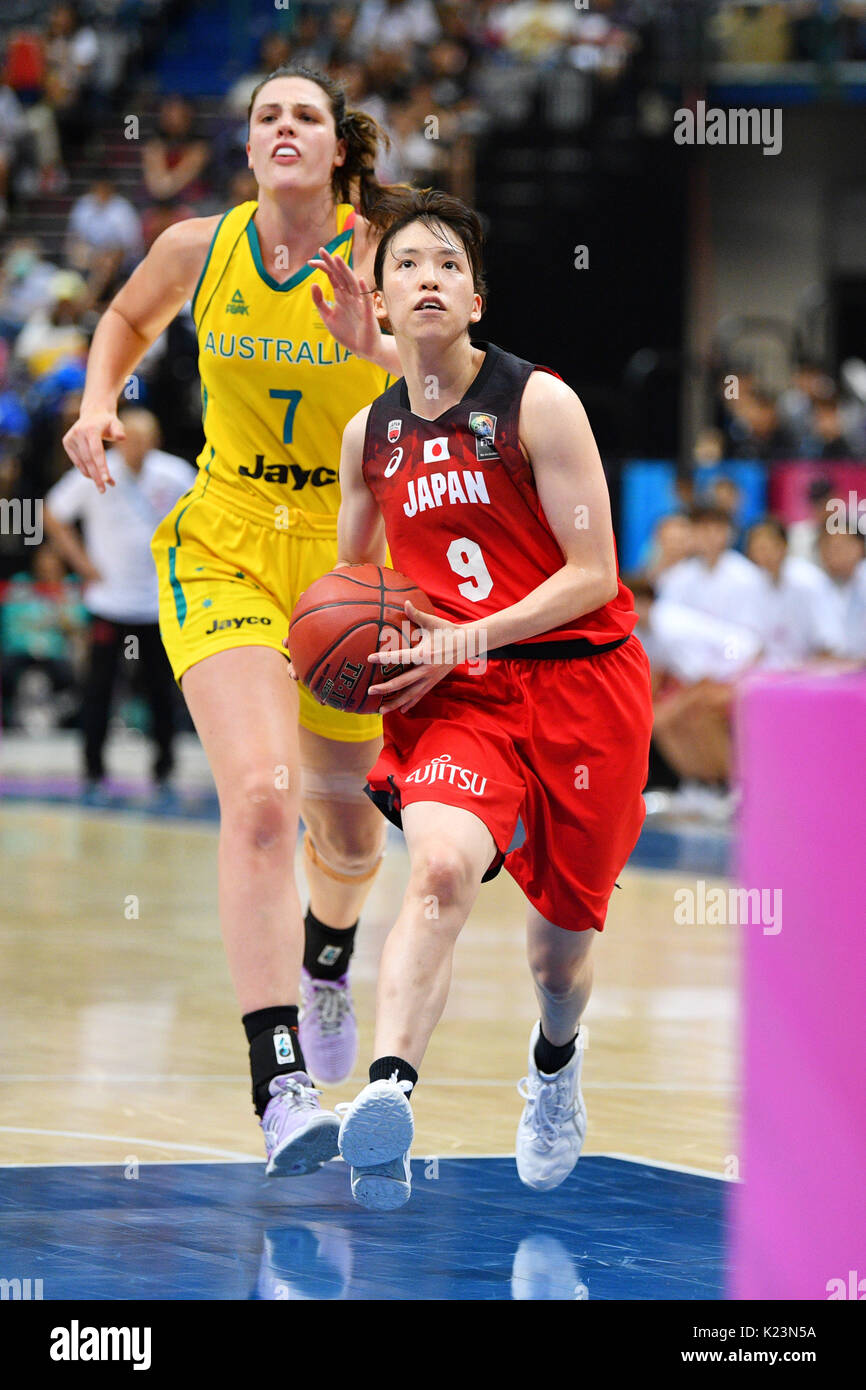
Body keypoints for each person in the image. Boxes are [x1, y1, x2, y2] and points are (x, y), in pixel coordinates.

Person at [61, 66, 410, 1179]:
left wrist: (375, 346)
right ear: (249, 145)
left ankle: (328, 955)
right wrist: (97, 399)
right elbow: (123, 314)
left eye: (305, 113)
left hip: (349, 556)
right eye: (266, 114)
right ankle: (279, 1080)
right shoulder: (195, 249)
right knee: (259, 798)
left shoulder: (386, 252)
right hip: (223, 539)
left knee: (347, 830)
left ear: (337, 148)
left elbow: (445, 386)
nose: (283, 127)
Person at [315, 189, 652, 1210]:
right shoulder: (367, 435)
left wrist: (471, 628)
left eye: (446, 266)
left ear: (475, 298)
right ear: (378, 301)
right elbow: (353, 582)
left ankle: (554, 1069)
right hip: (454, 697)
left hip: (582, 684)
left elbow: (593, 570)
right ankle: (386, 1091)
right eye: (406, 264)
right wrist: (355, 648)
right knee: (439, 873)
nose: (426, 276)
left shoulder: (536, 403)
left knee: (557, 961)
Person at [45, 408, 196, 792]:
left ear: (157, 439)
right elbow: (53, 512)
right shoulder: (97, 470)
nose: (139, 447)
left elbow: (203, 516)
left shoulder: (175, 474)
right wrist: (81, 562)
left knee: (161, 689)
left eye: (147, 438)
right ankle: (92, 767)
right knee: (99, 688)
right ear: (120, 439)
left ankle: (164, 765)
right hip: (108, 603)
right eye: (133, 439)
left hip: (155, 603)